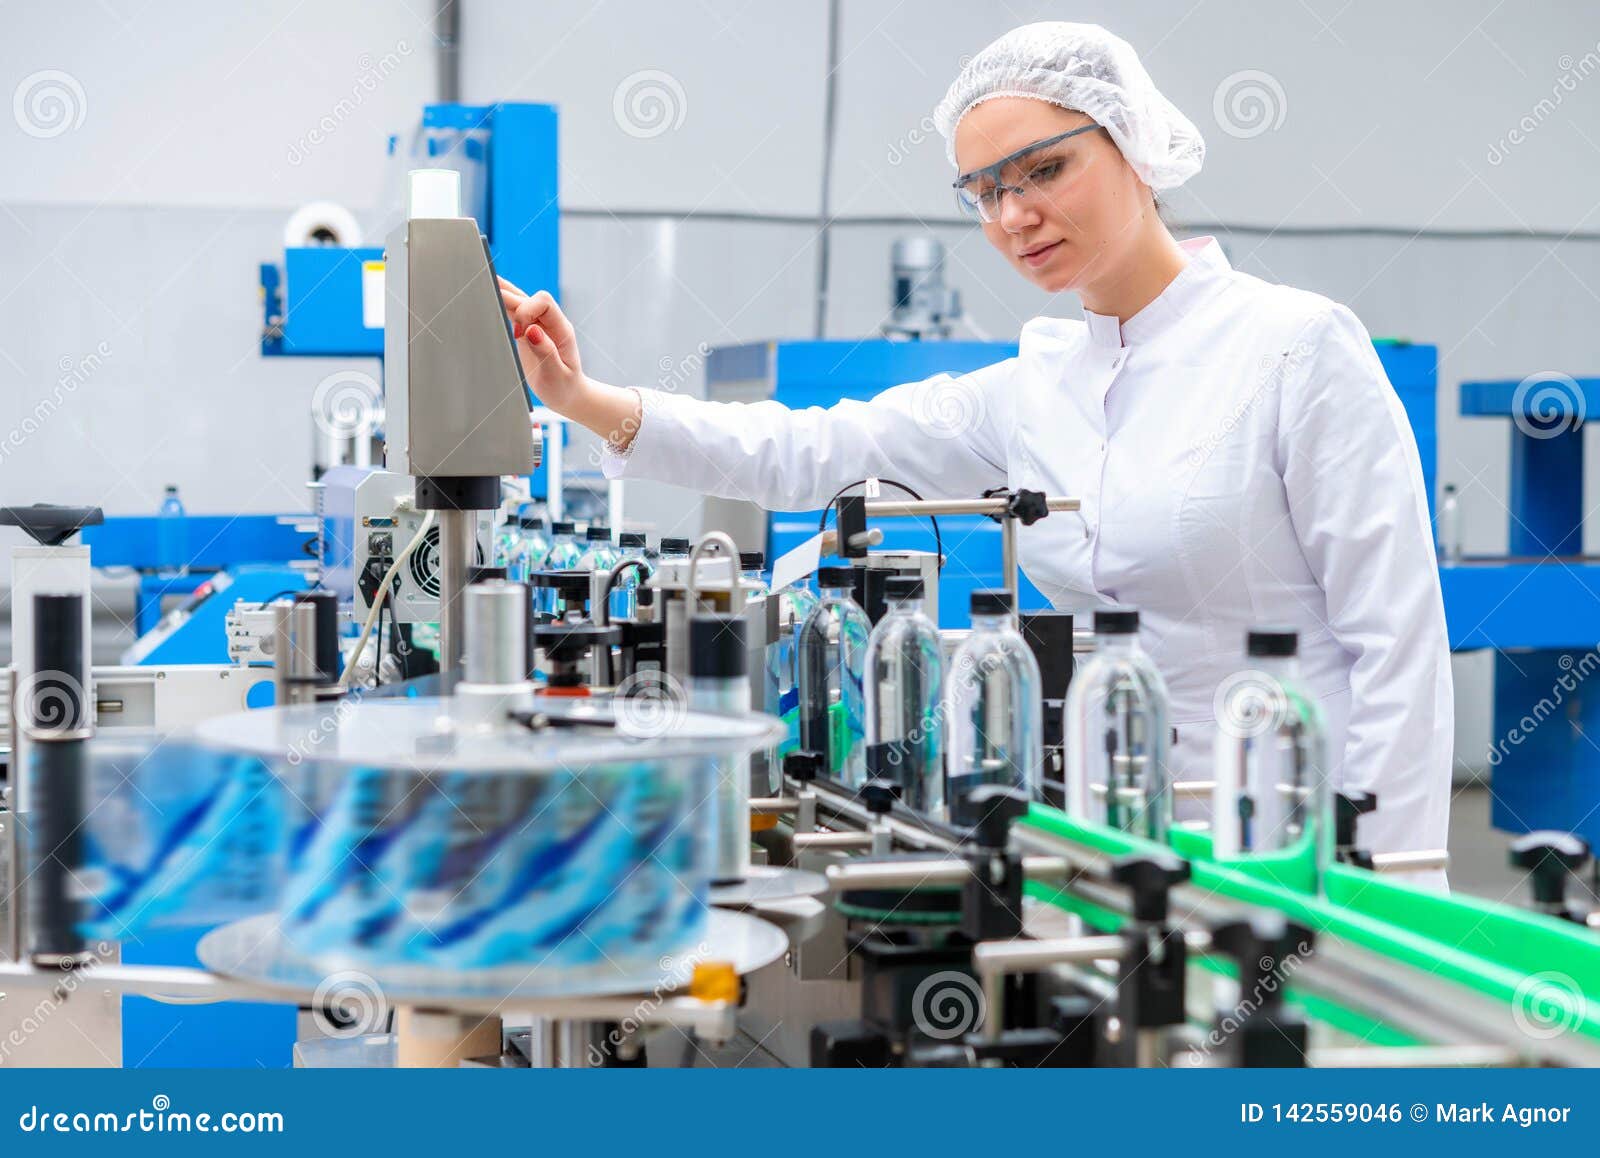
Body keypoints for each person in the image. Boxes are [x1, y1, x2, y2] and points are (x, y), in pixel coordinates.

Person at [498, 21, 1452, 874]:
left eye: (1045, 170)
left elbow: (1398, 645)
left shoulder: (1295, 348)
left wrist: (1391, 883)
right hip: (1119, 850)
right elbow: (811, 449)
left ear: (1134, 146)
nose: (1012, 217)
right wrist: (582, 398)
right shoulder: (1038, 384)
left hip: (1308, 851)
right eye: (985, 191)